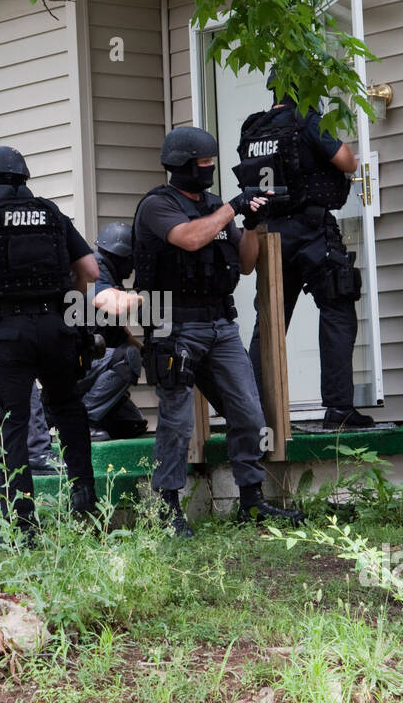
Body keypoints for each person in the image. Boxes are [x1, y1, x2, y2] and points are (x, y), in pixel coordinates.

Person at [133, 126, 305, 538]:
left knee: (249, 412)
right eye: (202, 164)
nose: (208, 170)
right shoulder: (157, 205)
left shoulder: (214, 207)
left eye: (211, 162)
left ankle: (252, 501)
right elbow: (190, 239)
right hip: (173, 325)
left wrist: (252, 222)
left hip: (220, 324)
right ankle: (167, 509)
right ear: (180, 165)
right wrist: (234, 206)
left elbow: (245, 264)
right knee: (177, 422)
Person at [0, 145, 99, 542]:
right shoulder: (51, 212)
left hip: (6, 333)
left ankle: (21, 526)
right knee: (69, 413)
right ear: (23, 177)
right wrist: (64, 299)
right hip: (57, 329)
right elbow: (90, 270)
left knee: (10, 427)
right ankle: (86, 506)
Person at [235, 68, 374, 430]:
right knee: (337, 309)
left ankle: (257, 416)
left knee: (269, 323)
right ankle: (339, 410)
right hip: (311, 232)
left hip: (269, 235)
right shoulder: (308, 121)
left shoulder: (253, 128)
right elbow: (347, 162)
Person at [24, 221, 148, 457]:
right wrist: (145, 297)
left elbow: (115, 329)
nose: (133, 266)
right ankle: (80, 421)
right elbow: (112, 303)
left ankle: (60, 413)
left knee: (130, 424)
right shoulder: (96, 272)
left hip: (82, 362)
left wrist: (145, 351)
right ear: (122, 256)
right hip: (71, 363)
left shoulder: (109, 273)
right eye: (132, 259)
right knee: (127, 357)